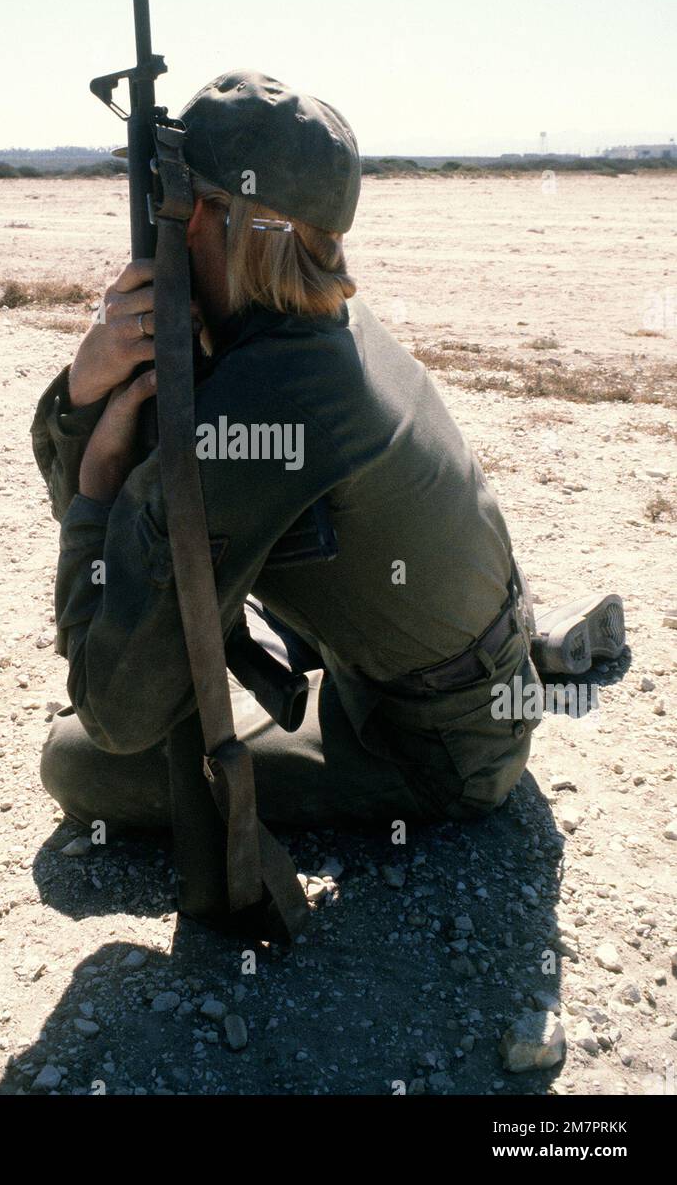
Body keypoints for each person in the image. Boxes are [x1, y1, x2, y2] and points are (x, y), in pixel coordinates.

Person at [31, 69, 625, 836]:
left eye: (169, 203)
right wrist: (87, 388)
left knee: (75, 758)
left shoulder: (266, 400)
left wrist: (97, 483)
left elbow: (115, 713)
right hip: (464, 663)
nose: (159, 223)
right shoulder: (320, 326)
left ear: (208, 217)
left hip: (436, 747)